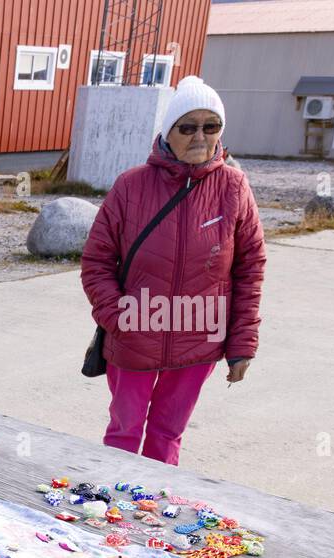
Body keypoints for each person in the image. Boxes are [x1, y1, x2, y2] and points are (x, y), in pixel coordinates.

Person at [80, 75, 266, 466]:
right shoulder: (131, 186)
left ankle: (151, 518)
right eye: (188, 127)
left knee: (166, 438)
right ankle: (110, 513)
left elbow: (250, 268)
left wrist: (241, 344)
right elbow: (97, 261)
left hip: (198, 342)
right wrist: (118, 319)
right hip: (133, 338)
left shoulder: (233, 186)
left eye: (210, 126)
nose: (200, 136)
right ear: (169, 132)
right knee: (123, 434)